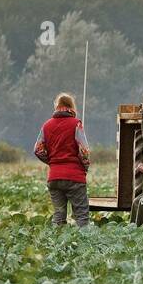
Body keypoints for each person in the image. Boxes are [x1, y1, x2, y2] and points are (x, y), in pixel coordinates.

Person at [34, 92, 92, 227]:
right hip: (74, 176)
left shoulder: (46, 125)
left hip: (54, 176)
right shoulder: (76, 123)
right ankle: (84, 246)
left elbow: (37, 150)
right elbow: (84, 151)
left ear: (57, 107)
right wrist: (85, 167)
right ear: (71, 106)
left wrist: (53, 162)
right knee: (81, 216)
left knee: (59, 216)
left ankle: (56, 246)